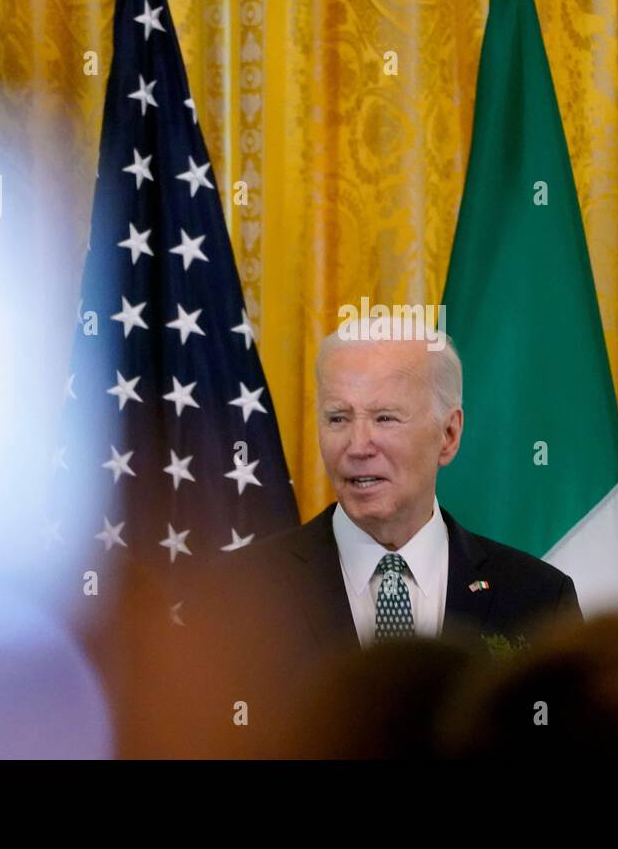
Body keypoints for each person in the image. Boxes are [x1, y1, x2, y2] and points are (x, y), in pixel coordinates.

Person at [177, 324, 582, 756]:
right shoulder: (234, 594)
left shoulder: (538, 599)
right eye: (338, 418)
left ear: (449, 435)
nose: (358, 445)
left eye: (385, 417)